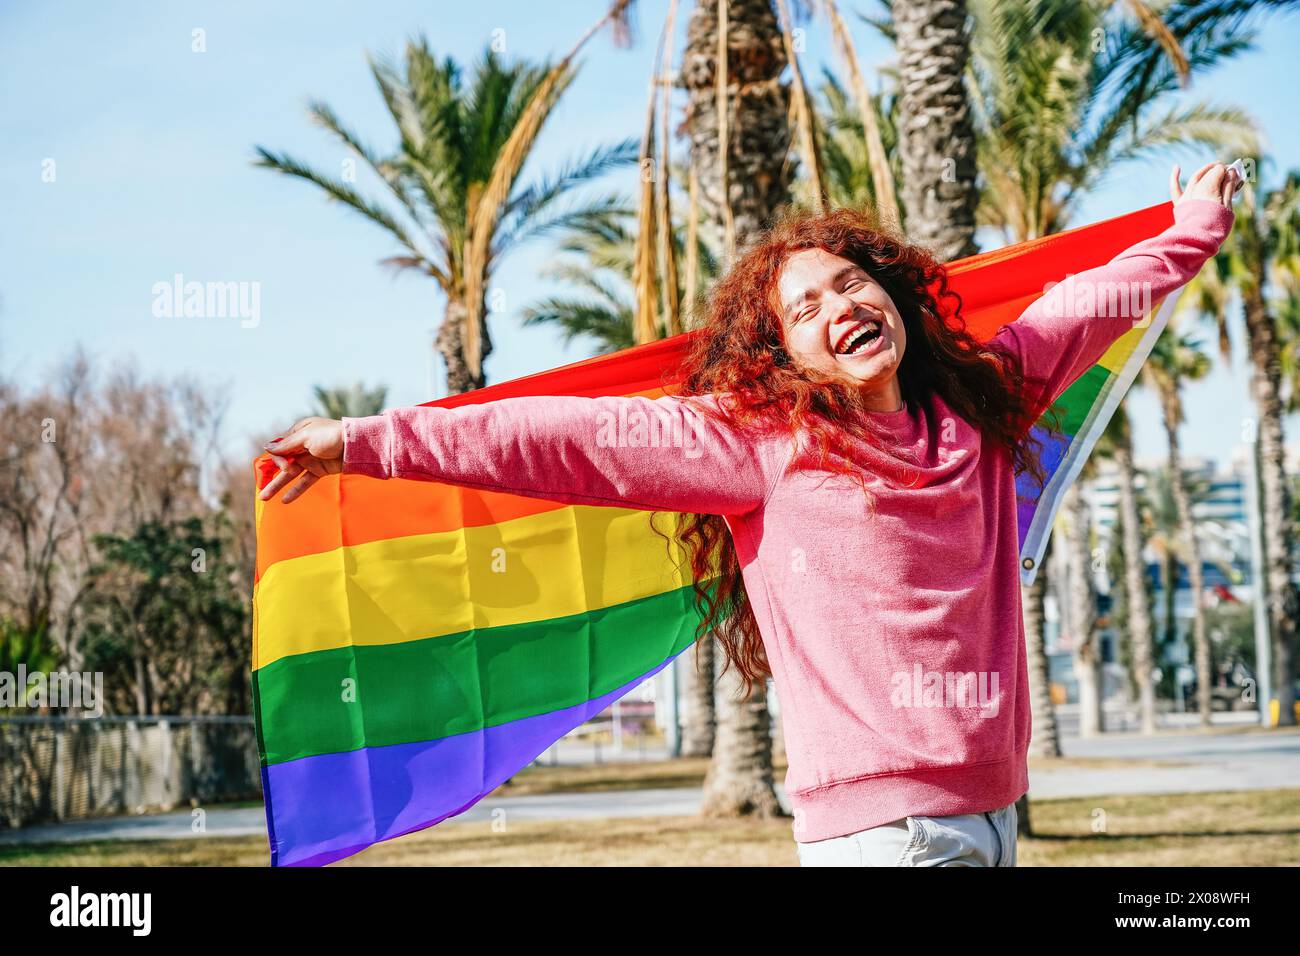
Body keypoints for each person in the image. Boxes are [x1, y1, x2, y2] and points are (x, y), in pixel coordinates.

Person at [260, 162, 1239, 866]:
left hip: (992, 812)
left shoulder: (979, 406)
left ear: (891, 292)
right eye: (803, 308)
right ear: (785, 356)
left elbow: (1091, 301)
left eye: (849, 282)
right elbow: (564, 435)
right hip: (879, 838)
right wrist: (363, 438)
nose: (836, 305)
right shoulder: (758, 444)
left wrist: (1193, 223)